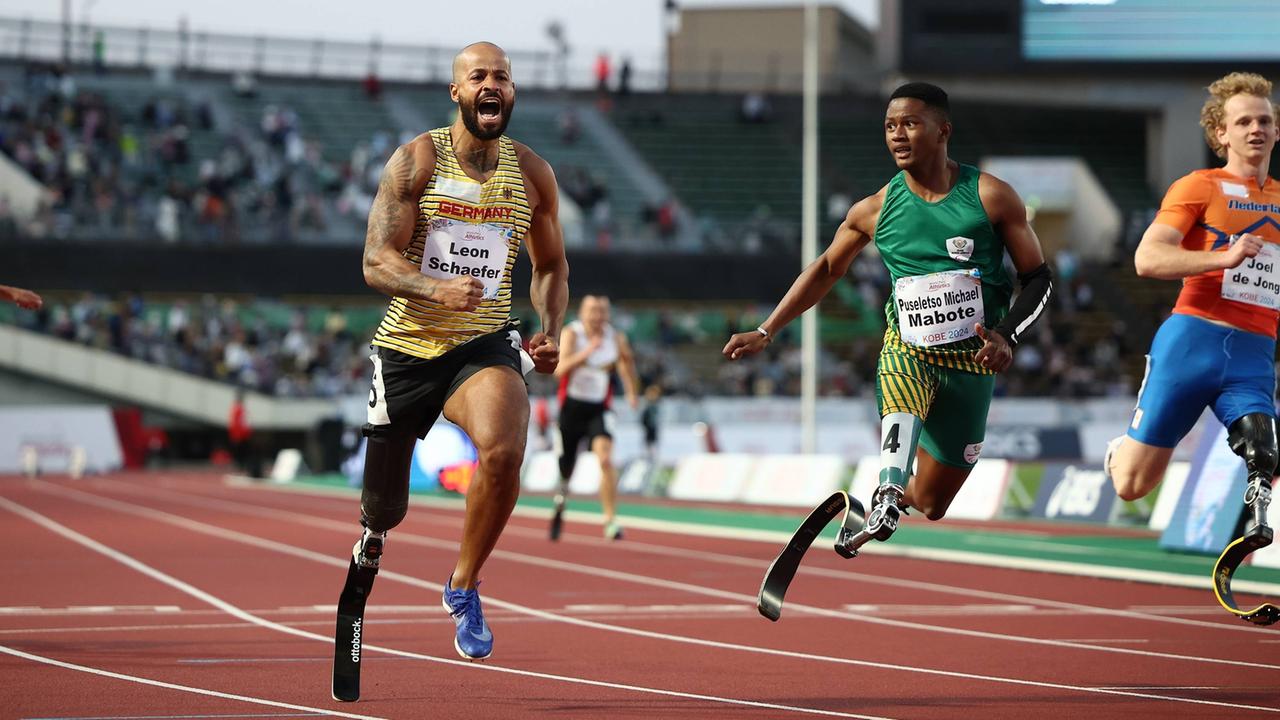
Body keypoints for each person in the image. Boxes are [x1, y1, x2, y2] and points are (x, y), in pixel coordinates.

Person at [723, 82, 1051, 549]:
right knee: (899, 393)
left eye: (910, 124)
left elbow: (1039, 278)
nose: (898, 135)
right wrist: (766, 329)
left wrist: (1006, 335)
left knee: (934, 504)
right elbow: (826, 268)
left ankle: (903, 495)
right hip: (908, 351)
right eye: (890, 126)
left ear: (943, 131)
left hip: (972, 364)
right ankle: (889, 488)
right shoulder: (873, 211)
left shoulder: (991, 197)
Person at [352, 41, 568, 661]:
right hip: (407, 346)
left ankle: (463, 585)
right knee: (386, 508)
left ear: (513, 91)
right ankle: (372, 534)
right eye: (478, 76)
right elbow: (374, 261)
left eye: (501, 75)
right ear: (458, 92)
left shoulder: (531, 174)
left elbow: (551, 265)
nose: (491, 84)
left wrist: (550, 326)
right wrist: (433, 286)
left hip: (482, 343)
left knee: (504, 451)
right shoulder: (415, 161)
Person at [1107, 72, 1280, 540]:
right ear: (1221, 133)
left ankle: (1256, 527)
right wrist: (1222, 257)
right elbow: (1147, 257)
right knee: (1132, 484)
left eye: (1265, 120)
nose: (1256, 129)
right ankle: (1122, 447)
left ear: (1277, 129)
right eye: (1243, 121)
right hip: (1193, 341)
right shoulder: (1199, 186)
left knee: (1264, 451)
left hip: (1254, 352)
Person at [550, 295, 639, 541]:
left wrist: (631, 391)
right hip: (571, 408)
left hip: (600, 408)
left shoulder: (615, 337)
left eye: (602, 312)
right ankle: (562, 495)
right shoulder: (572, 333)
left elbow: (626, 364)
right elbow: (559, 371)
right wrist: (588, 351)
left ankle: (610, 520)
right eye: (593, 311)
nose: (598, 317)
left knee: (606, 459)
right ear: (582, 313)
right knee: (567, 467)